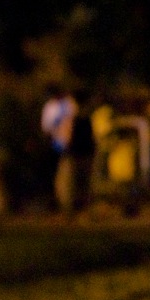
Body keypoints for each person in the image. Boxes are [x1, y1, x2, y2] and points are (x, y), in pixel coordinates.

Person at [55, 90, 97, 218]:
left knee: (69, 186)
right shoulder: (87, 118)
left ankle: (71, 213)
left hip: (73, 156)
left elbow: (65, 138)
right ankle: (81, 212)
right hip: (85, 155)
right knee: (83, 185)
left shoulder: (72, 119)